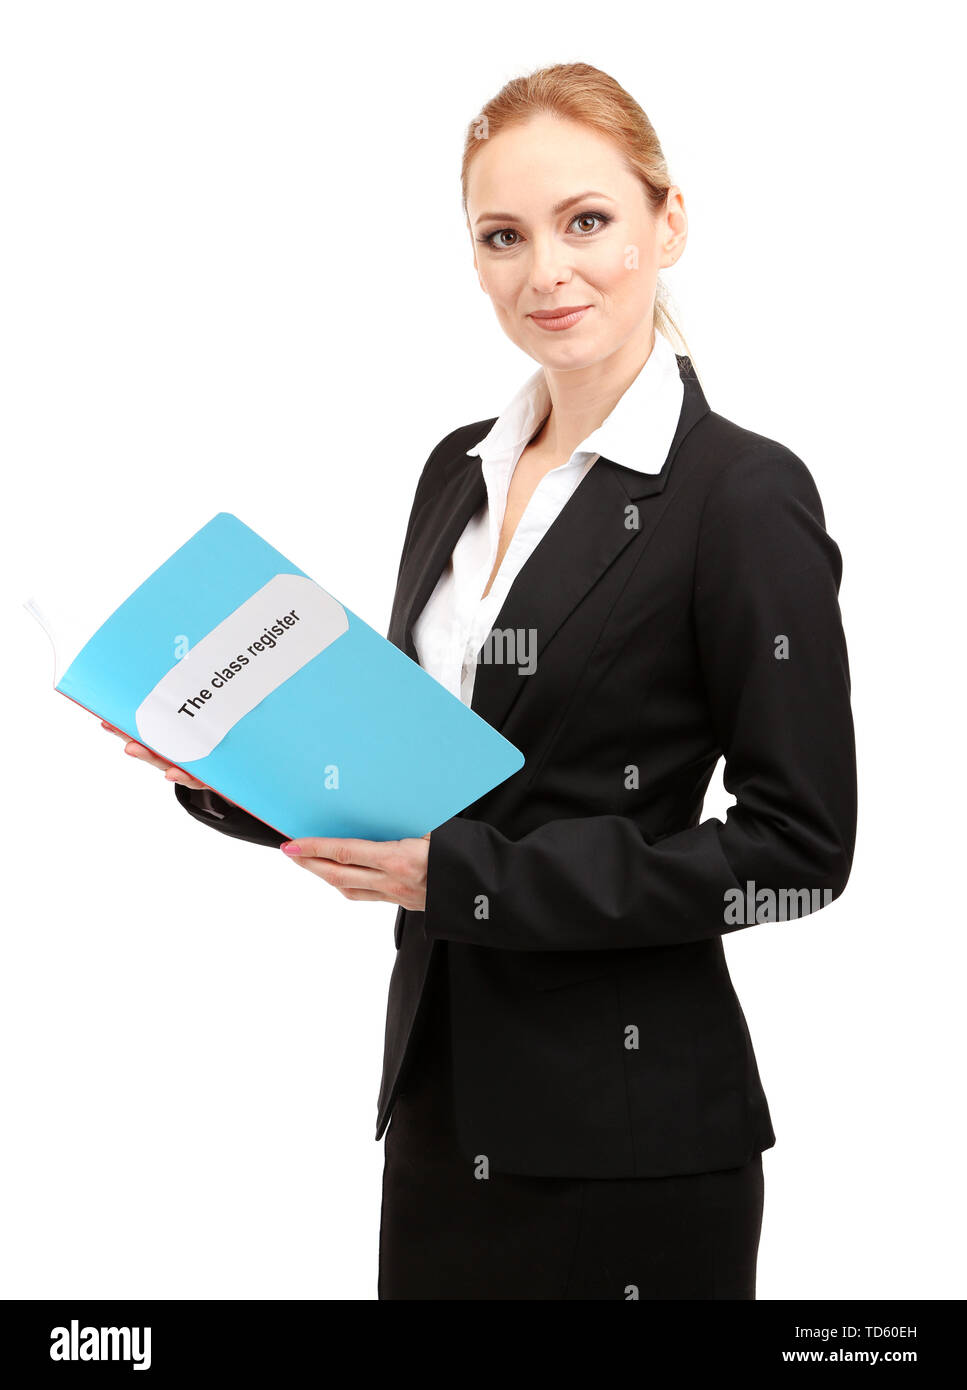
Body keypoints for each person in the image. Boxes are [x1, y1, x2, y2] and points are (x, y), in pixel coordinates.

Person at [105, 62, 857, 1300]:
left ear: (669, 223)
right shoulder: (457, 469)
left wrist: (471, 878)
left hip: (629, 1142)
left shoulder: (741, 495)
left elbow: (797, 856)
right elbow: (424, 767)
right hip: (445, 1108)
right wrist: (240, 770)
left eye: (587, 221)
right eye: (501, 236)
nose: (543, 271)